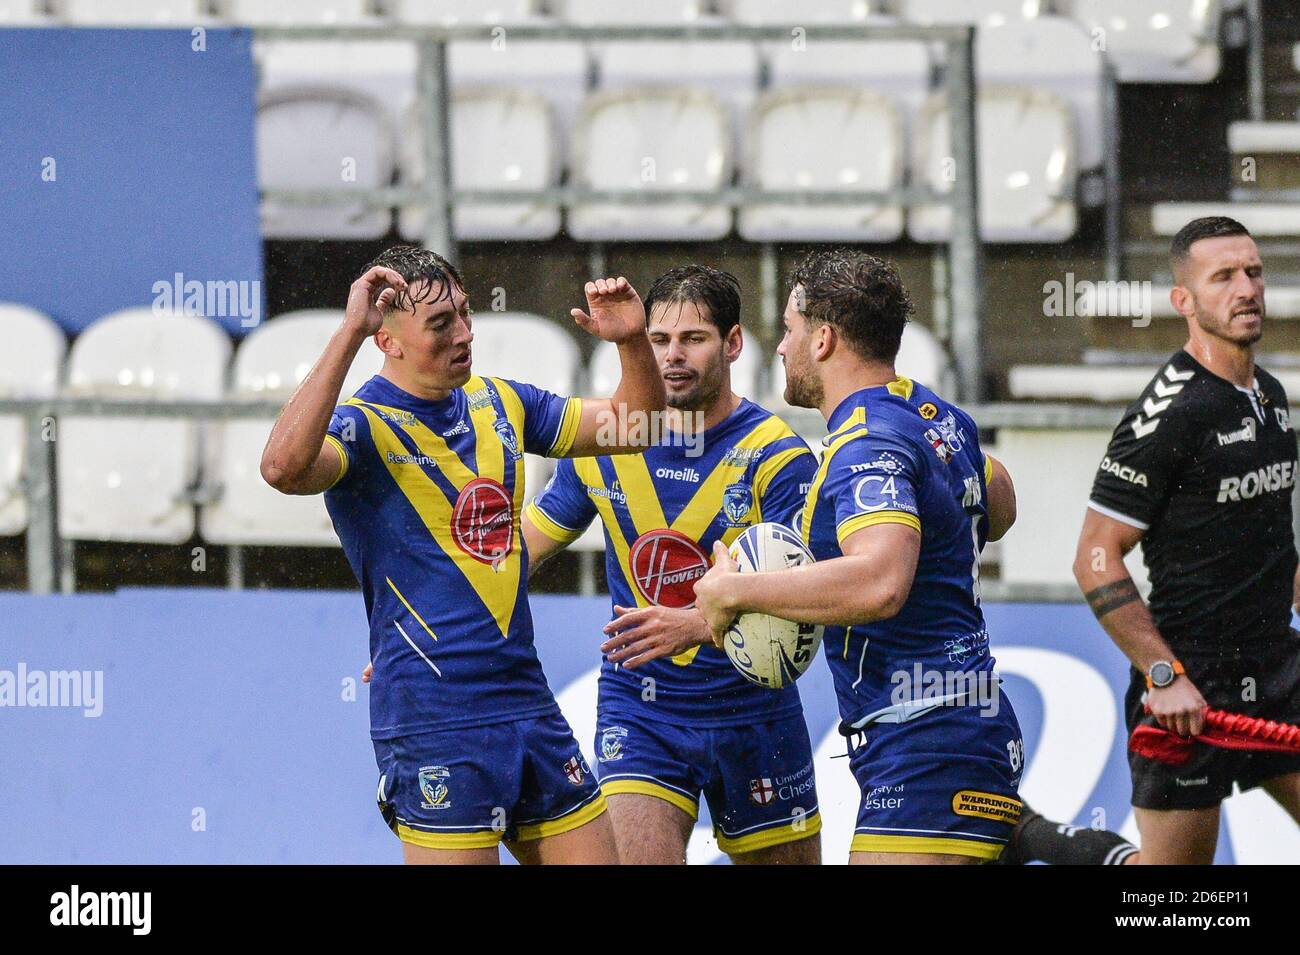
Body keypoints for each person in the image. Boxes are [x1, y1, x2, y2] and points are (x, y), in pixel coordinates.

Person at [261, 246, 665, 865]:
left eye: (465, 314)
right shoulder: (362, 428)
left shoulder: (500, 403)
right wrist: (347, 332)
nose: (465, 334)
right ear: (387, 340)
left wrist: (632, 342)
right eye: (441, 324)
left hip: (526, 699)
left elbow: (637, 427)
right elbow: (282, 469)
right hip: (431, 717)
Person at [694, 249, 1024, 864]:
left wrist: (736, 592)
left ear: (823, 339)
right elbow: (998, 501)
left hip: (929, 742)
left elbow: (880, 584)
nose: (783, 348)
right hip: (953, 727)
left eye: (790, 331)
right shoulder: (932, 414)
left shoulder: (865, 442)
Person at [521, 265, 822, 864]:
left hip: (758, 715)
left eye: (694, 339)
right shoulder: (607, 446)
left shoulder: (777, 458)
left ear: (733, 344)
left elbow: (812, 598)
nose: (673, 357)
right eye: (659, 341)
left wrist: (698, 624)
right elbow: (517, 553)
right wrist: (430, 628)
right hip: (642, 711)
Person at [1074, 216, 1300, 864]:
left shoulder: (1271, 395)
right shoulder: (1169, 412)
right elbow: (1094, 554)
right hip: (1190, 687)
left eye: (1253, 272)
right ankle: (1054, 843)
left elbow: (1271, 538)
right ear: (1184, 300)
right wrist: (1163, 673)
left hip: (1279, 673)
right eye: (1223, 276)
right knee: (1173, 897)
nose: (1246, 288)